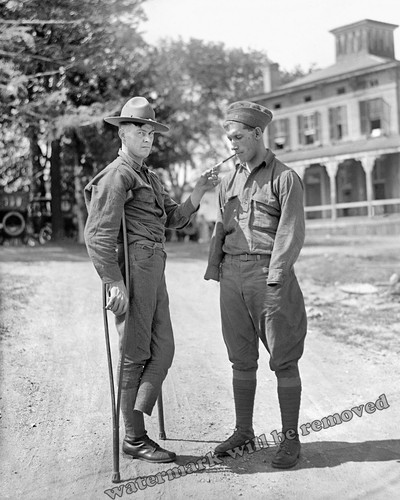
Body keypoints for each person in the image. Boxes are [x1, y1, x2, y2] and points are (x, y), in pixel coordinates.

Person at [84, 96, 219, 464]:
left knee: (164, 348)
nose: (147, 138)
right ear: (122, 133)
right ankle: (134, 437)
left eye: (151, 132)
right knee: (134, 353)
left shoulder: (149, 176)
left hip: (154, 267)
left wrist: (197, 192)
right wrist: (113, 282)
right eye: (139, 131)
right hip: (133, 270)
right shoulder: (117, 176)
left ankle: (137, 414)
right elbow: (97, 234)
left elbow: (173, 219)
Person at [204, 101, 307, 469]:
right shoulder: (228, 179)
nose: (232, 144)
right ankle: (243, 432)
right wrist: (216, 270)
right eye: (229, 137)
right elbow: (220, 227)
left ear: (258, 134)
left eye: (237, 137)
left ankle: (290, 440)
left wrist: (276, 277)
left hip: (269, 276)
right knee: (240, 358)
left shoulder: (285, 177)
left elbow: (291, 233)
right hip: (232, 276)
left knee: (284, 358)